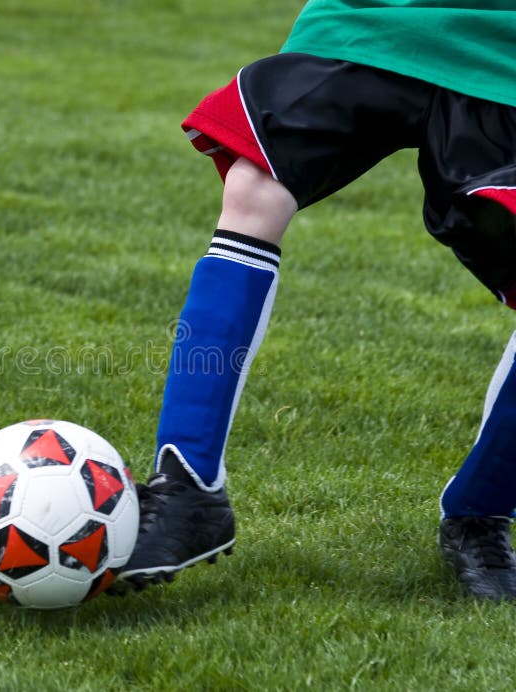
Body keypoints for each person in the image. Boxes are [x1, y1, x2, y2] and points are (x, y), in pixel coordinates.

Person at [113, 0, 516, 601]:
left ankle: (478, 515)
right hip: (371, 20)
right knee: (256, 187)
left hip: (501, 48)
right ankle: (187, 486)